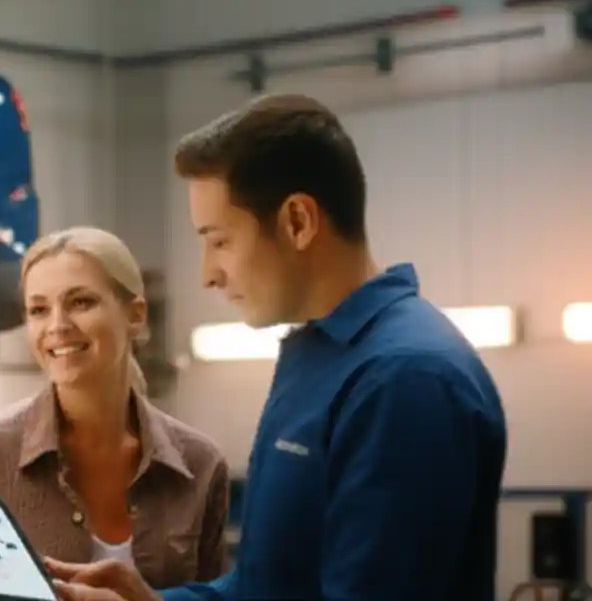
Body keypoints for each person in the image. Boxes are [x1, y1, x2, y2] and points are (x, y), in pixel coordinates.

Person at [45, 93, 508, 601]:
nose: (208, 274)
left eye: (219, 241)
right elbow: (267, 586)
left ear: (297, 222)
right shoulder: (315, 357)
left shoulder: (406, 380)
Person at [0, 226, 231, 601]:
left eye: (81, 302)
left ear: (135, 315)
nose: (57, 326)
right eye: (39, 309)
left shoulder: (201, 464)